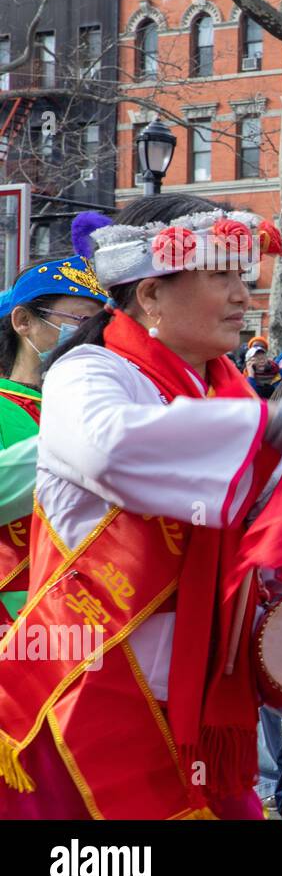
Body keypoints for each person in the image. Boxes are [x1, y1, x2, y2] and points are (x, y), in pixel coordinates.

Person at [0, 193, 282, 820]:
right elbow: (112, 449)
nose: (243, 296)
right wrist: (265, 432)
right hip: (87, 691)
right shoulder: (87, 374)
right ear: (149, 294)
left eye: (242, 275)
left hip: (202, 705)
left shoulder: (231, 397)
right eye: (220, 275)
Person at [0, 253, 108, 621]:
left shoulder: (102, 404)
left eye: (100, 325)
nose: (91, 335)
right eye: (79, 321)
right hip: (16, 606)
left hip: (95, 601)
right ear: (23, 321)